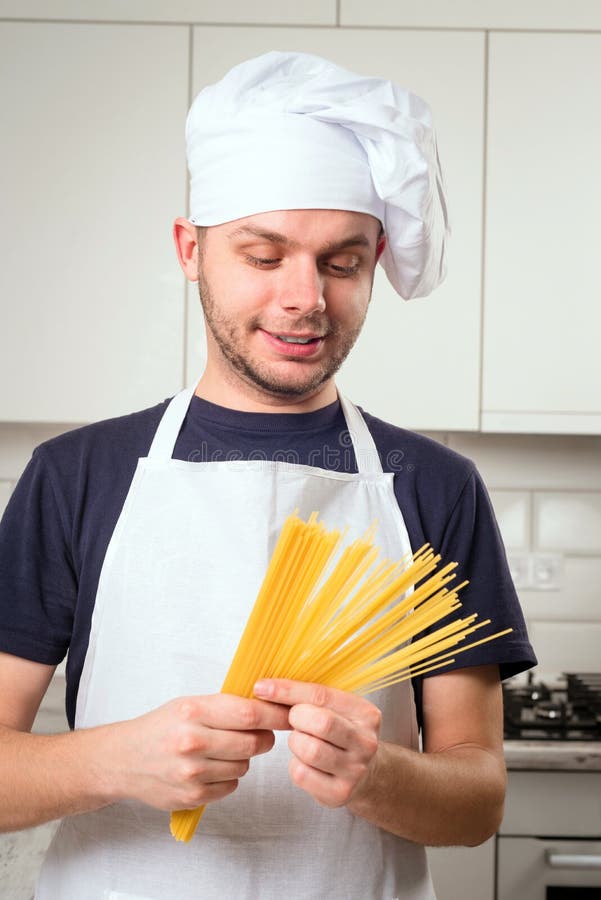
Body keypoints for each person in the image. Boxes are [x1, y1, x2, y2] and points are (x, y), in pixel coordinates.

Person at [0, 51, 535, 899]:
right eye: (263, 255)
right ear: (191, 249)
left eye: (341, 262)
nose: (305, 298)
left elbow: (475, 800)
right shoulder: (76, 476)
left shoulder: (434, 485)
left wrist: (379, 775)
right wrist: (113, 759)